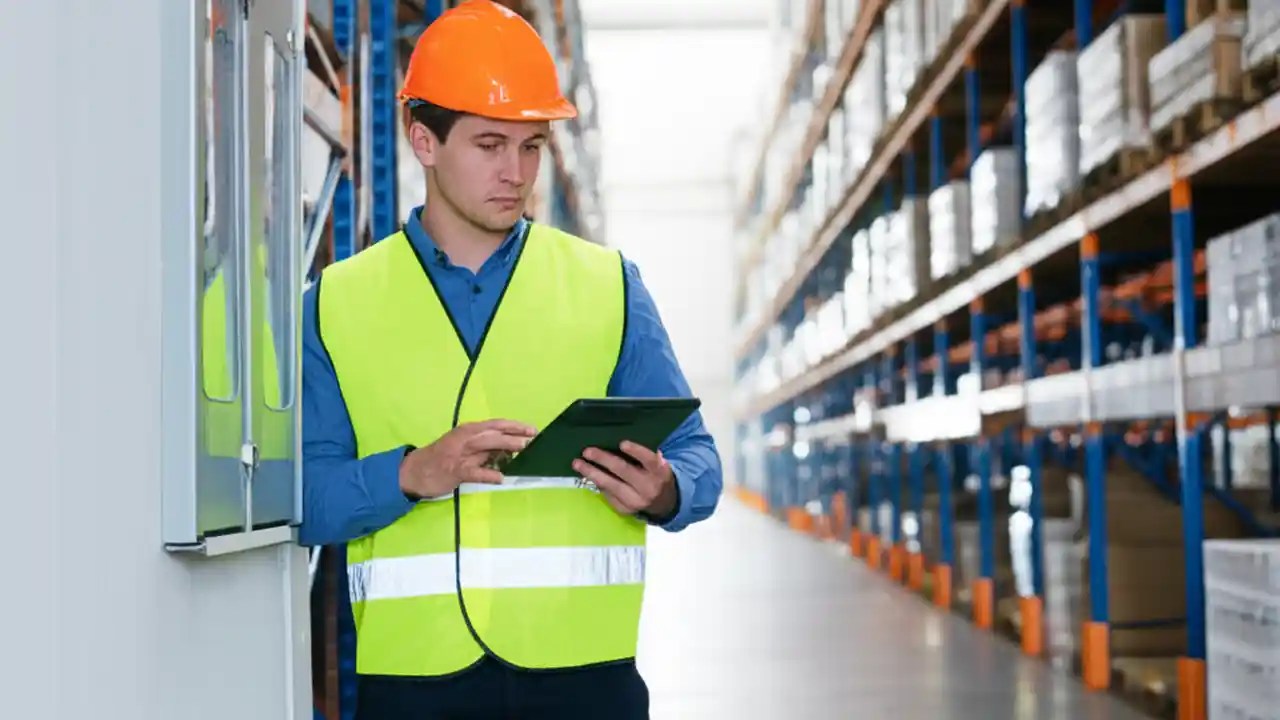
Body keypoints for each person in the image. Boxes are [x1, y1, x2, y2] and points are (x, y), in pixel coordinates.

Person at [298, 2, 723, 718]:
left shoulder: (609, 286)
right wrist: (408, 474)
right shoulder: (336, 303)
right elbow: (302, 499)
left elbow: (698, 456)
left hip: (586, 683)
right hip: (414, 685)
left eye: (531, 146)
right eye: (491, 145)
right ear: (422, 141)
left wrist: (666, 490)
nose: (517, 173)